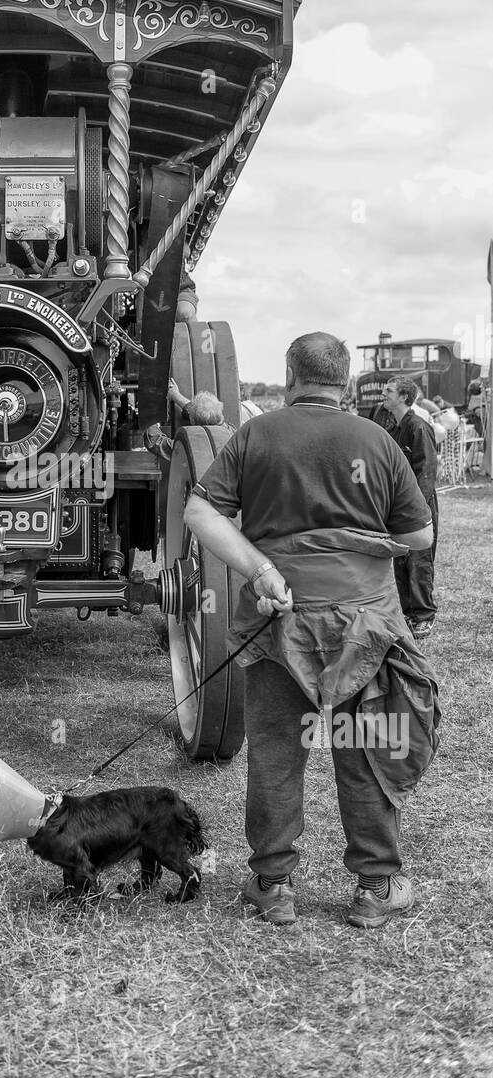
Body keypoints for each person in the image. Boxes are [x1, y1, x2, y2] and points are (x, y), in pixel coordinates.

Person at [183, 332, 439, 929]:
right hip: (365, 625)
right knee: (365, 749)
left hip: (278, 620)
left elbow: (199, 513)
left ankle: (273, 885)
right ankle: (375, 887)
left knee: (275, 752)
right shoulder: (376, 438)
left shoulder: (255, 433)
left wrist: (264, 567)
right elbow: (420, 536)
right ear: (344, 382)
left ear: (291, 375)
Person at [378, 377, 438, 638]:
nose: (383, 393)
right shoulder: (393, 426)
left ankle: (424, 615)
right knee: (400, 559)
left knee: (419, 560)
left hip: (418, 505)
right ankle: (407, 613)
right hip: (400, 505)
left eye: (389, 391)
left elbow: (427, 471)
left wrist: (419, 510)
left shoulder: (418, 427)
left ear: (403, 396)